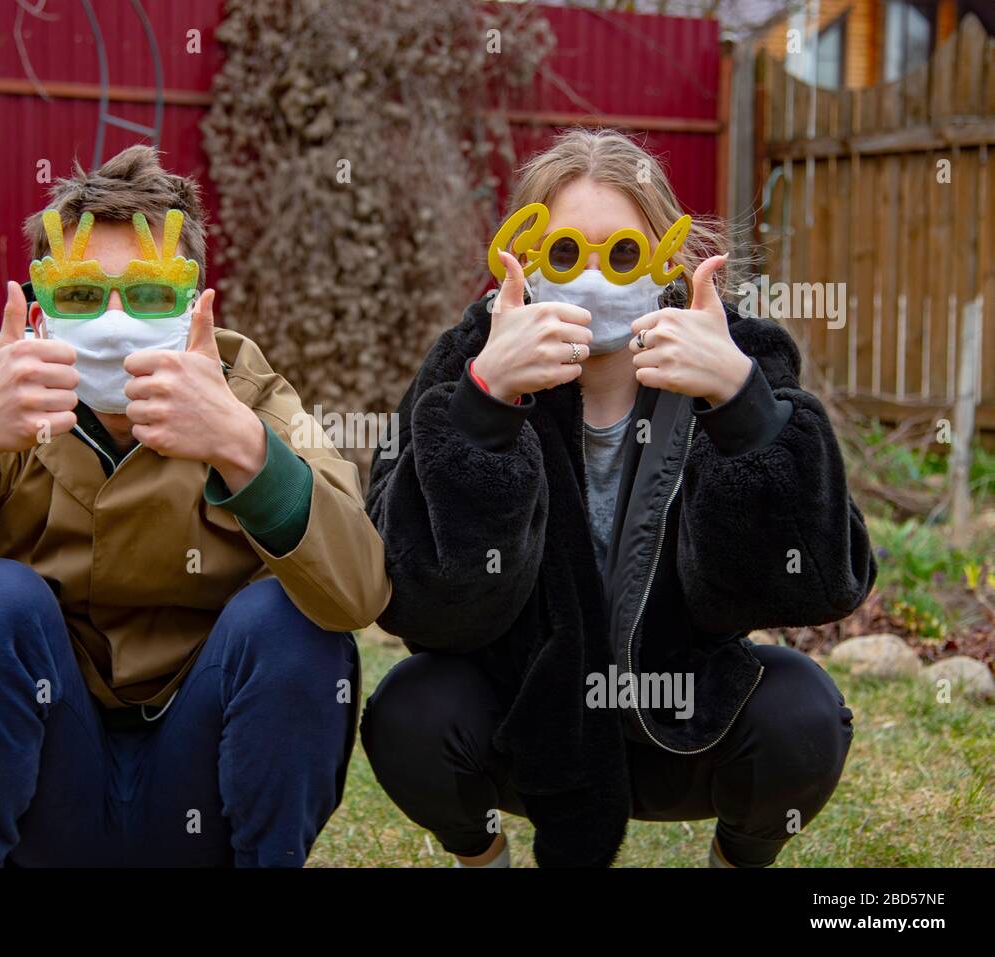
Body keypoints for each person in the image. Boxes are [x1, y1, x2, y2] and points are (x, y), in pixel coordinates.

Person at [0, 146, 390, 867]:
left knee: (293, 618)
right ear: (41, 311)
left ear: (197, 307)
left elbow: (356, 593)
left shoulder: (251, 396)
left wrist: (246, 450)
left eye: (149, 294)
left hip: (201, 794)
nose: (115, 323)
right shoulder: (8, 397)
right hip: (53, 791)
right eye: (82, 295)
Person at [360, 129, 876, 868]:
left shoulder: (734, 354)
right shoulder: (471, 360)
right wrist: (483, 407)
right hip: (528, 722)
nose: (595, 277)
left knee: (803, 714)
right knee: (411, 708)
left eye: (624, 253)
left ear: (667, 256)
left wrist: (742, 408)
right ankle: (484, 858)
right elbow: (414, 597)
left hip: (683, 716)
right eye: (565, 253)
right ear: (521, 259)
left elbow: (824, 581)